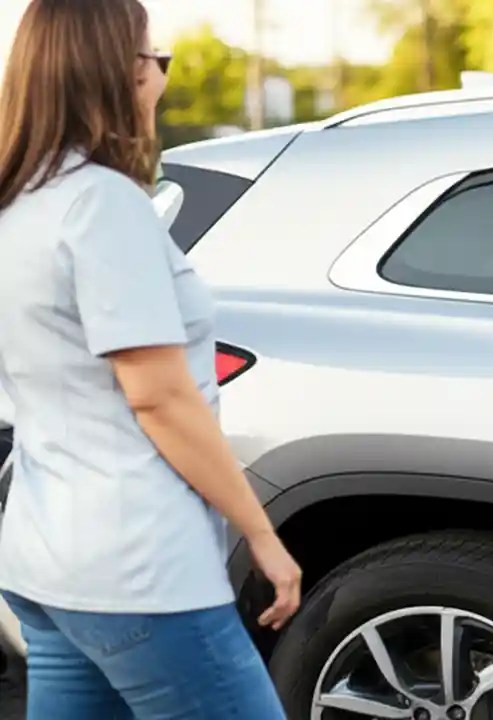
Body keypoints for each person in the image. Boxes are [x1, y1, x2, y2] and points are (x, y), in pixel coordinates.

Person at [0, 0, 302, 717]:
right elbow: (159, 398)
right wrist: (261, 534)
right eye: (154, 58)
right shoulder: (102, 204)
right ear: (122, 72)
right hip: (140, 569)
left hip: (47, 562)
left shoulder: (19, 204)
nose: (161, 76)